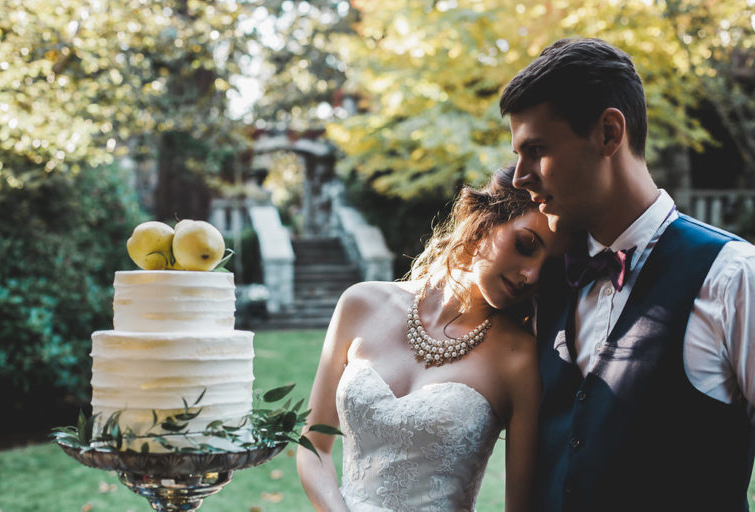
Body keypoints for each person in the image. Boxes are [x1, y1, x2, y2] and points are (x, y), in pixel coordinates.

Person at [499, 37, 755, 512]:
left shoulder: (733, 275)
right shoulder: (542, 277)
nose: (520, 176)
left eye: (536, 149)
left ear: (608, 134)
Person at [296, 167, 567, 511]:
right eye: (526, 245)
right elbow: (313, 446)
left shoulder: (518, 358)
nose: (531, 274)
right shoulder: (359, 304)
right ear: (484, 220)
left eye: (549, 267)